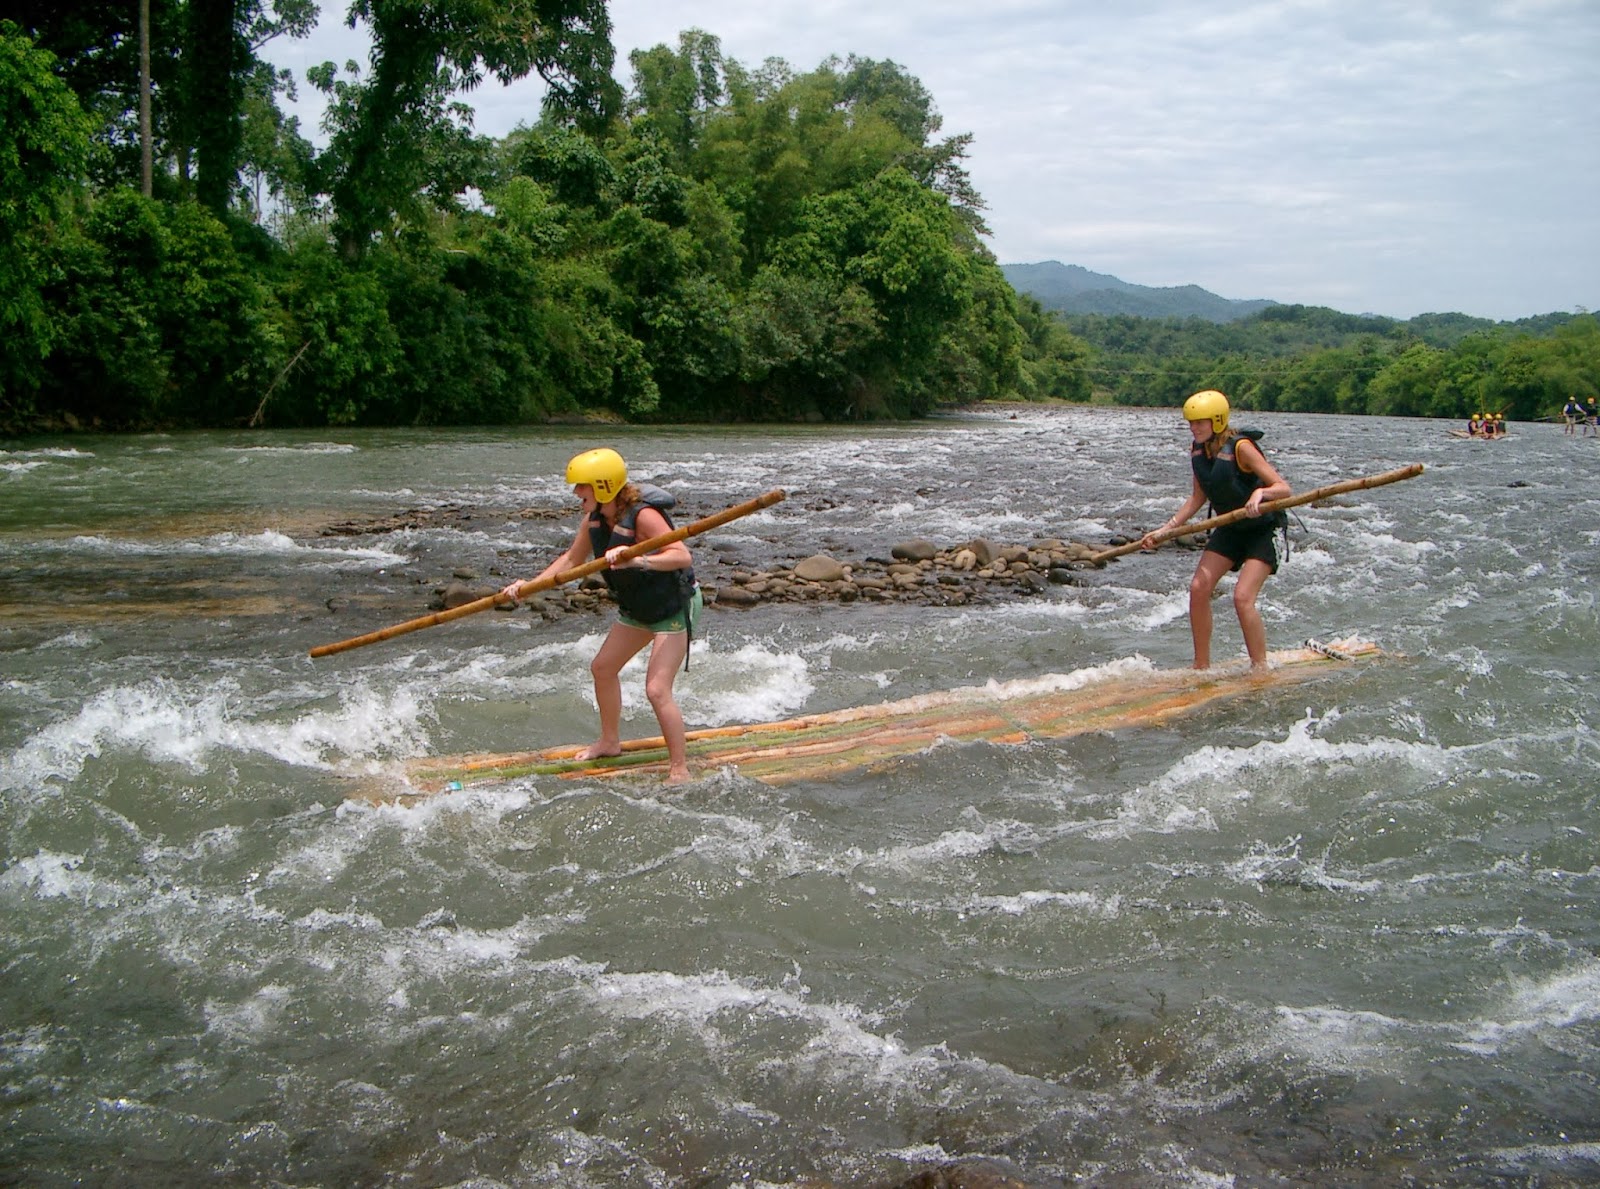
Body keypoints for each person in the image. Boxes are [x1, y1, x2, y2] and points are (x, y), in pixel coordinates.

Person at [502, 447, 702, 783]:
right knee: (603, 667)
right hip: (639, 607)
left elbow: (681, 556)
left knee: (656, 689)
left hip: (673, 605)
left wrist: (637, 560)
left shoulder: (644, 516)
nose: (576, 493)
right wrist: (528, 587)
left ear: (604, 486)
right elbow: (570, 561)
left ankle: (679, 767)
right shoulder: (593, 519)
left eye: (582, 486)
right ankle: (610, 742)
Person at [1139, 389, 1292, 671]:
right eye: (1191, 422)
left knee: (1242, 598)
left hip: (1261, 529)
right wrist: (1166, 530)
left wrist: (1260, 496)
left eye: (1200, 422)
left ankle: (1260, 668)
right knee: (1198, 588)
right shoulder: (1198, 451)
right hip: (1229, 528)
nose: (1194, 428)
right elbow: (1198, 498)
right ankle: (1201, 666)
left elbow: (1283, 488)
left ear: (1218, 420)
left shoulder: (1241, 447)